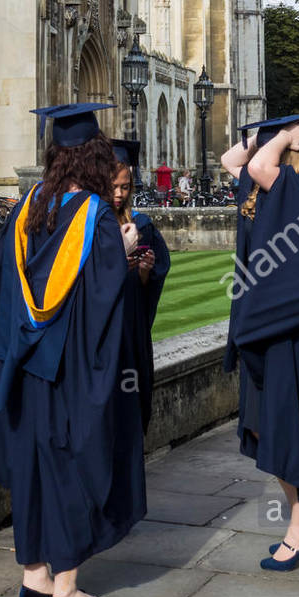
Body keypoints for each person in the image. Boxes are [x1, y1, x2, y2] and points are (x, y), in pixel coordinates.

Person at [0, 101, 148, 597]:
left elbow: (6, 290)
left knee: (33, 468)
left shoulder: (30, 207)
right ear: (95, 158)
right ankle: (67, 586)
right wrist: (124, 246)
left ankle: (34, 575)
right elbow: (103, 300)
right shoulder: (95, 216)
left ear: (55, 157)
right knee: (73, 465)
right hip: (69, 372)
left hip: (24, 367)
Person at [221, 114, 299, 573]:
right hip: (268, 332)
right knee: (265, 427)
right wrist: (268, 135)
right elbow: (230, 159)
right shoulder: (260, 192)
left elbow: (254, 166)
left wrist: (281, 137)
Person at [111, 137, 171, 429]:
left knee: (132, 401)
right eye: (114, 188)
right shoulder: (91, 227)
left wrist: (145, 271)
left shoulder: (141, 224)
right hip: (107, 322)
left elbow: (146, 284)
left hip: (131, 320)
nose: (120, 194)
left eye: (125, 187)